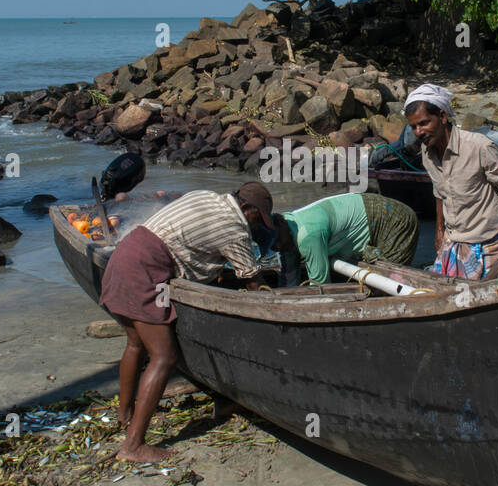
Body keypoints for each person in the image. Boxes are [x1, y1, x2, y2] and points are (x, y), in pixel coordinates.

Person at [97, 181, 274, 463]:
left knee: (135, 345)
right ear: (245, 208)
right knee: (164, 357)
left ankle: (125, 415)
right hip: (146, 268)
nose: (256, 226)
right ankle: (133, 446)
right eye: (257, 218)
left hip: (126, 252)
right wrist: (271, 300)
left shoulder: (206, 195)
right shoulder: (235, 227)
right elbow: (251, 277)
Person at [404, 83, 498, 278]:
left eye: (424, 123)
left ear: (442, 116)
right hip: (453, 242)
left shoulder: (479, 147)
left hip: (488, 245)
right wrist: (439, 231)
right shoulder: (427, 152)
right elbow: (440, 192)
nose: (419, 132)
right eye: (414, 127)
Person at [274, 192, 419, 284]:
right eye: (274, 247)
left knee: (389, 279)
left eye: (278, 241)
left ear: (282, 224)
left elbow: (320, 285)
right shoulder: (285, 229)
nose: (278, 248)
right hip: (372, 215)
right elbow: (289, 279)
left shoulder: (307, 235)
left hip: (394, 218)